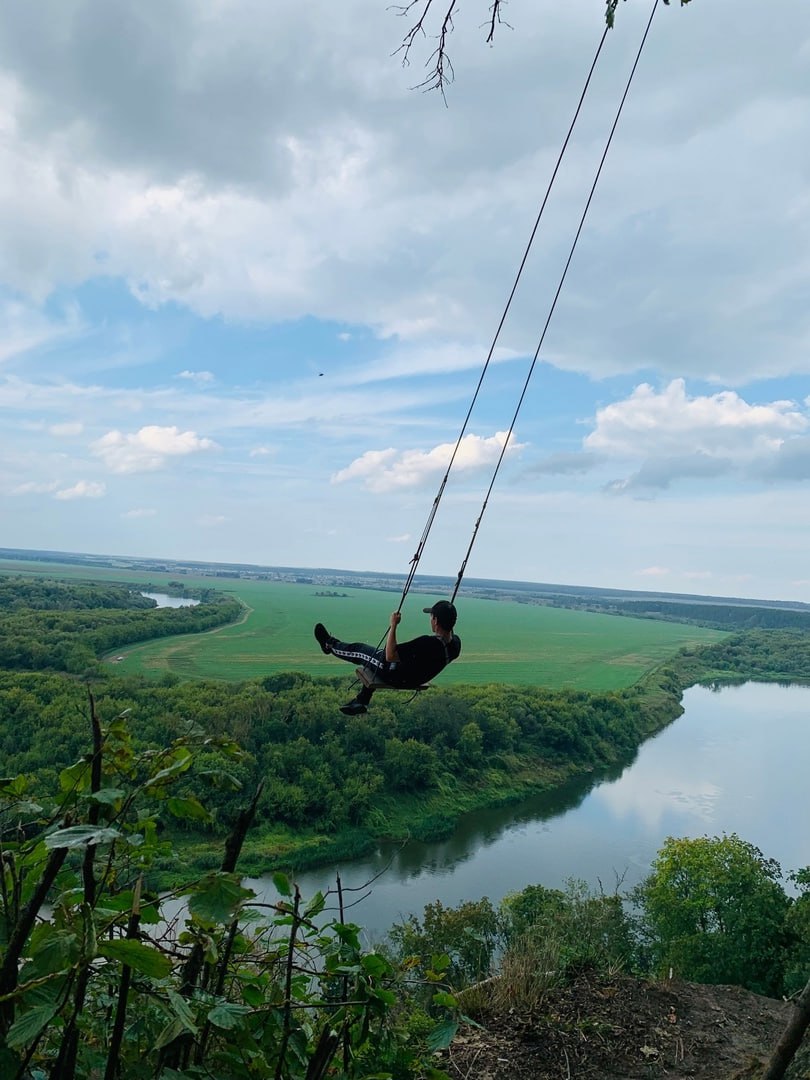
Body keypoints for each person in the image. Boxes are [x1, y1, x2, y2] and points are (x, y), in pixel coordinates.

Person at [314, 600, 461, 715]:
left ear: (435, 621)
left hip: (392, 673)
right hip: (414, 678)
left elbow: (390, 655)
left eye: (431, 617)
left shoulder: (427, 643)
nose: (430, 620)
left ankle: (329, 645)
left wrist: (393, 625)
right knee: (373, 658)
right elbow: (449, 634)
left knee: (359, 650)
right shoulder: (455, 646)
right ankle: (361, 701)